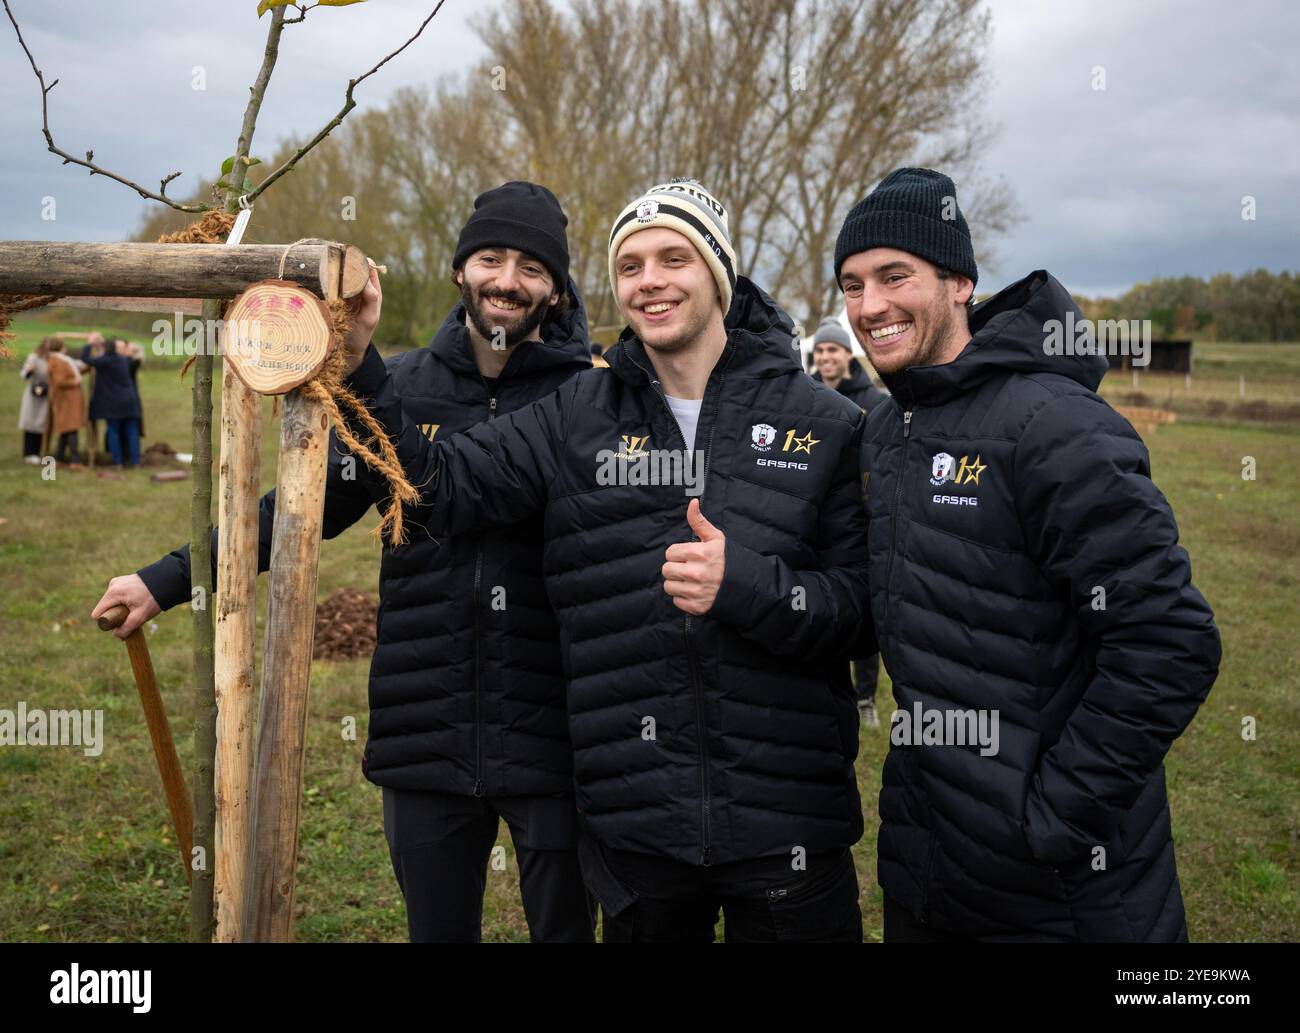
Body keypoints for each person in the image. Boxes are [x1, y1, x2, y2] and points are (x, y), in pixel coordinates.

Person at [336, 179, 873, 942]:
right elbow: (436, 488)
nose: (649, 279)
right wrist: (360, 362)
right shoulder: (576, 415)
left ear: (718, 273)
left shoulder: (822, 421)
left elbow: (862, 611)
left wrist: (746, 585)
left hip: (787, 828)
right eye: (630, 265)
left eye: (673, 257)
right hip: (637, 836)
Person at [91, 182, 597, 943]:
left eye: (532, 266)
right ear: (459, 270)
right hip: (424, 725)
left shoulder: (587, 397)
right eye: (490, 257)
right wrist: (163, 581)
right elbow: (298, 510)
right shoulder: (398, 385)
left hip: (555, 728)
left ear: (557, 287)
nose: (507, 280)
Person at [837, 167, 1221, 941]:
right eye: (851, 284)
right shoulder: (886, 430)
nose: (869, 305)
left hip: (1062, 892)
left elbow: (1169, 642)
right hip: (929, 869)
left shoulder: (1052, 425)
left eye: (894, 276)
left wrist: (1049, 814)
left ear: (959, 283)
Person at [809, 317, 887, 727]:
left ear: (848, 355)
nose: (825, 357)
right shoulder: (802, 396)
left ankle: (866, 697)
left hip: (862, 519)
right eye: (820, 350)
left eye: (833, 349)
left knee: (863, 609)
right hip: (815, 520)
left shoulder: (873, 401)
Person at [81, 336, 142, 468]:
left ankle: (118, 462)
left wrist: (89, 344)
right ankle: (136, 462)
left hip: (114, 403)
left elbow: (86, 358)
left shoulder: (105, 361)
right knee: (132, 432)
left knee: (113, 431)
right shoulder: (122, 360)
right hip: (130, 401)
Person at [46, 339, 88, 465]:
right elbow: (60, 381)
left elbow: (72, 372)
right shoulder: (58, 362)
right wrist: (74, 382)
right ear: (61, 347)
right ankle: (75, 460)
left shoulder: (62, 360)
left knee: (66, 429)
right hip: (66, 400)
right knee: (71, 428)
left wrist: (87, 368)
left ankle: (59, 457)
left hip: (69, 399)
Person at [18, 337, 53, 463]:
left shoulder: (52, 359)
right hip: (34, 393)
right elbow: (24, 374)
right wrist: (29, 370)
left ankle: (39, 451)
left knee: (41, 423)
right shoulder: (34, 357)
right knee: (31, 422)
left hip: (46, 394)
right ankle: (29, 452)